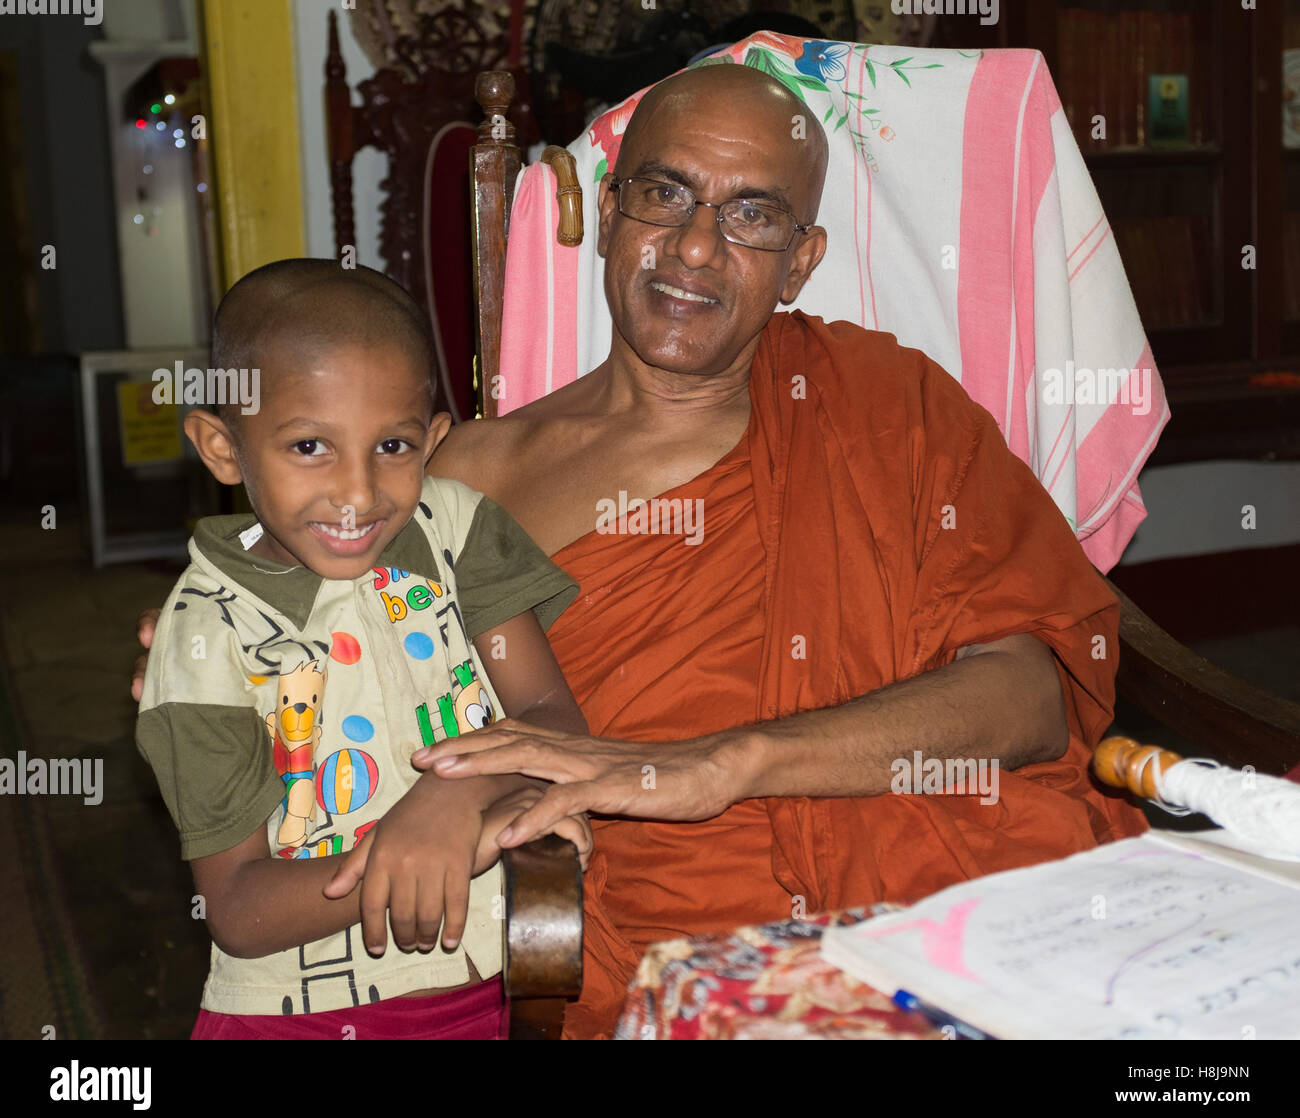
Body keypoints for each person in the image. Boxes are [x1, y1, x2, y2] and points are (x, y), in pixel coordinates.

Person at [136, 64, 1148, 1040]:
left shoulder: (891, 406)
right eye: (664, 194)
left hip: (948, 882)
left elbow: (1028, 698)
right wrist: (206, 647)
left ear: (801, 260)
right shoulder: (459, 481)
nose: (696, 247)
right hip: (667, 931)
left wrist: (721, 763)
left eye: (751, 214)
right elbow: (336, 658)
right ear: (610, 213)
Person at [135, 260, 590, 1039]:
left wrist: (452, 796)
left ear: (435, 439)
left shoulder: (459, 533)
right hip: (294, 1017)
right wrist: (423, 851)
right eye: (309, 446)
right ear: (221, 446)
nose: (357, 493)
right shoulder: (203, 628)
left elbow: (554, 720)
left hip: (487, 985)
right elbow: (239, 907)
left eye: (392, 445)